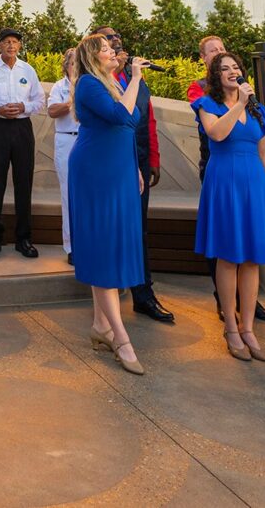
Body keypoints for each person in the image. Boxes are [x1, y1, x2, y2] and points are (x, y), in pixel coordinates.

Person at [192, 50, 265, 362]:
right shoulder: (207, 105)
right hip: (224, 182)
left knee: (253, 258)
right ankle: (230, 327)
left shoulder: (258, 110)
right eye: (225, 68)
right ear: (216, 76)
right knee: (229, 257)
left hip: (254, 184)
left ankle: (248, 328)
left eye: (236, 67)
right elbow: (216, 133)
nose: (232, 72)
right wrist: (239, 104)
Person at [66, 33, 148, 374]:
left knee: (114, 243)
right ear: (91, 57)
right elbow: (119, 115)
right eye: (105, 49)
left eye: (112, 48)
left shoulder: (112, 83)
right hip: (96, 172)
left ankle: (101, 325)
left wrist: (135, 168)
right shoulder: (87, 84)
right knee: (103, 247)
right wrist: (137, 78)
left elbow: (130, 124)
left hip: (119, 170)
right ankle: (120, 335)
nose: (113, 52)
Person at [102, 28, 171, 324]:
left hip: (139, 161)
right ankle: (107, 293)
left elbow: (149, 119)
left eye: (118, 40)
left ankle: (143, 294)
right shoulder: (98, 83)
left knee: (139, 229)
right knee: (111, 228)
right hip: (112, 165)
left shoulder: (137, 80)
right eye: (109, 41)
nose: (117, 44)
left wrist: (153, 159)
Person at [0, 27, 44, 259]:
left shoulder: (28, 70)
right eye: (6, 42)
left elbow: (39, 100)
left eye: (15, 42)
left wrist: (25, 107)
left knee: (24, 183)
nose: (11, 45)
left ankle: (23, 238)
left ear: (20, 46)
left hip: (23, 129)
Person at [46, 61, 77, 261]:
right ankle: (71, 247)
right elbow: (52, 111)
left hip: (87, 140)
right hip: (66, 138)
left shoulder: (90, 83)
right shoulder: (59, 86)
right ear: (66, 66)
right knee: (68, 194)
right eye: (73, 62)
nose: (77, 65)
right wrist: (72, 101)